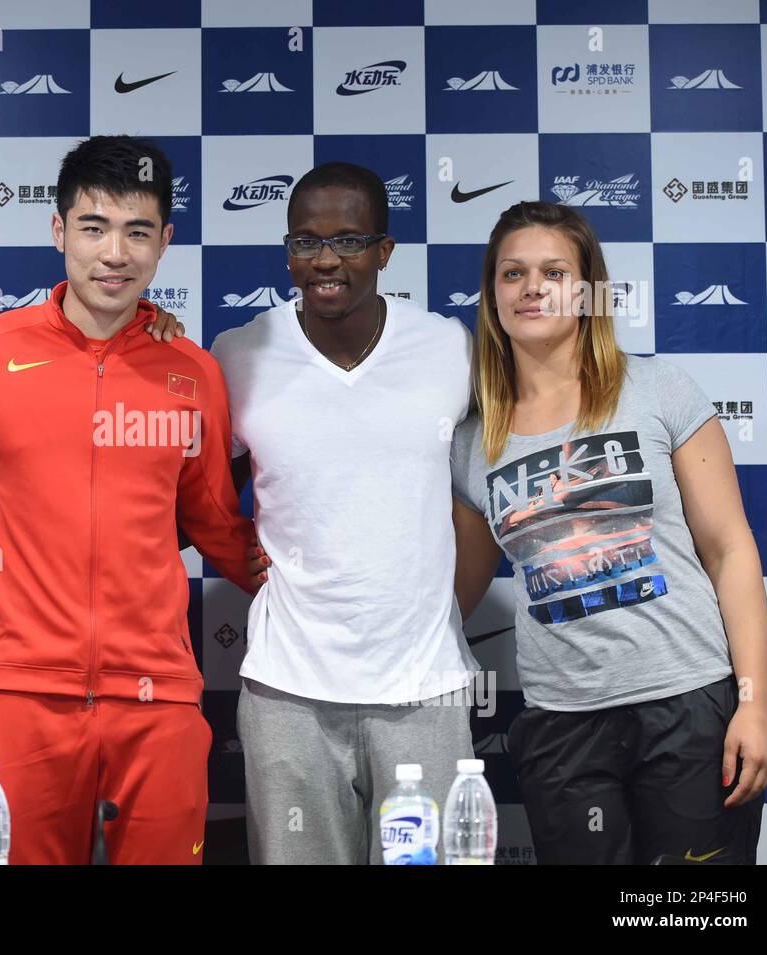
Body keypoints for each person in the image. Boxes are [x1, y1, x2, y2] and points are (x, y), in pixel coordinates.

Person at [0, 135, 259, 865]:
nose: (115, 252)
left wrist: (320, 578)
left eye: (138, 230)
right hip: (21, 693)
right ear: (58, 231)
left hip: (159, 699)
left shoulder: (194, 372)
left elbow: (216, 524)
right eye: (94, 227)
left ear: (165, 241)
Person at [450, 200, 767, 864]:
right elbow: (457, 587)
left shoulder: (657, 389)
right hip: (563, 726)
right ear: (492, 293)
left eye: (553, 271)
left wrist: (755, 703)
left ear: (588, 289)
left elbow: (732, 549)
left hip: (688, 706)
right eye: (512, 273)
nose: (532, 287)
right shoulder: (473, 440)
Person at [209, 162, 480, 865]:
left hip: (426, 690)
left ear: (385, 251)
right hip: (287, 694)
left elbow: (482, 496)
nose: (325, 260)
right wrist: (243, 561)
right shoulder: (241, 355)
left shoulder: (450, 348)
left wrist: (440, 611)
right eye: (304, 241)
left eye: (348, 240)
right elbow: (199, 496)